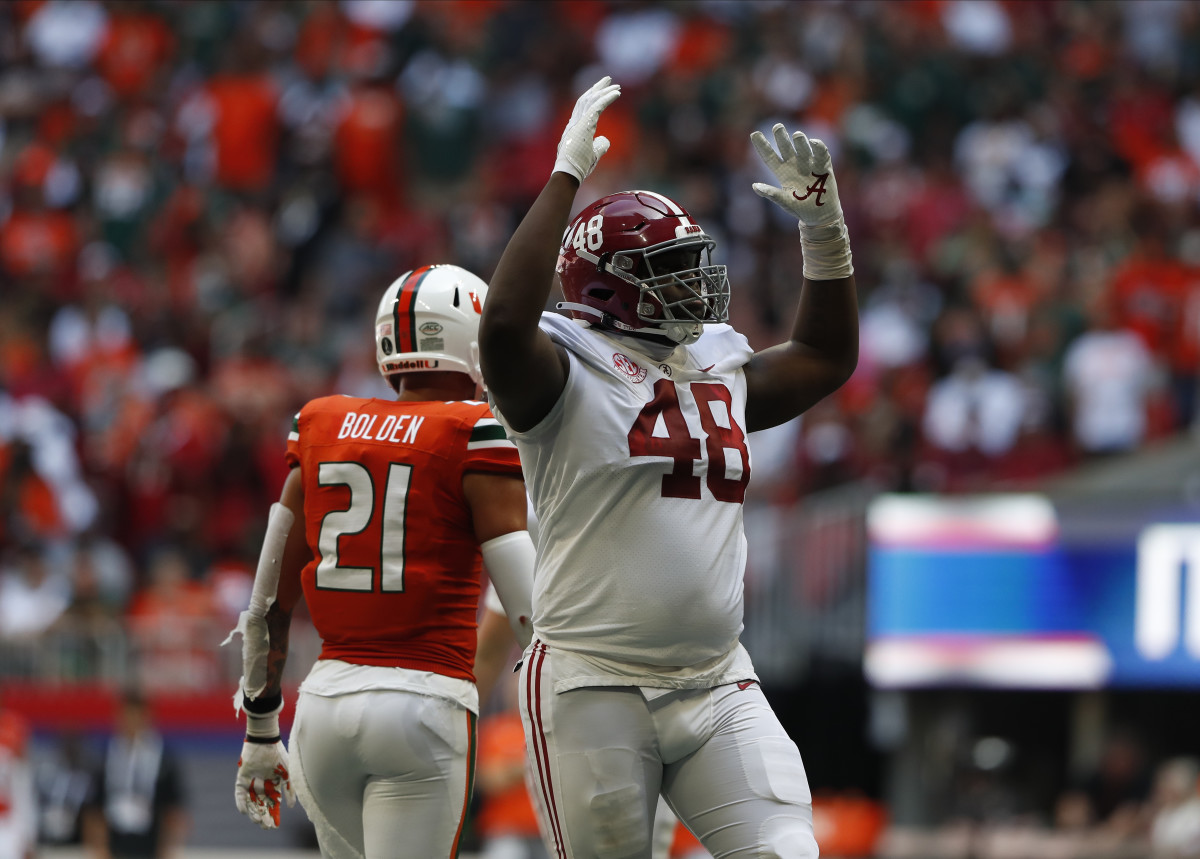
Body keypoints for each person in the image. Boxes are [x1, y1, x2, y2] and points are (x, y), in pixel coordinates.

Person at [478, 76, 859, 859]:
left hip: (716, 679)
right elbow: (506, 320)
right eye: (669, 267)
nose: (696, 281)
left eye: (692, 262)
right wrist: (565, 176)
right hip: (594, 684)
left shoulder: (714, 362)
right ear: (610, 285)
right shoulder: (562, 372)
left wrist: (825, 234)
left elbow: (825, 355)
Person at [227, 264, 536, 858]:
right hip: (423, 705)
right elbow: (530, 614)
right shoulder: (473, 430)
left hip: (323, 708)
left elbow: (267, 603)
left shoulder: (320, 424)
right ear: (474, 342)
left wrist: (261, 729)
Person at [82, 688, 188, 859]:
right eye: (127, 715)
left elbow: (174, 808)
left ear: (147, 718)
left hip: (150, 845)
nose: (131, 722)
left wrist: (168, 848)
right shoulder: (106, 756)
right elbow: (94, 807)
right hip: (114, 845)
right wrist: (99, 847)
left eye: (137, 716)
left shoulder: (163, 759)